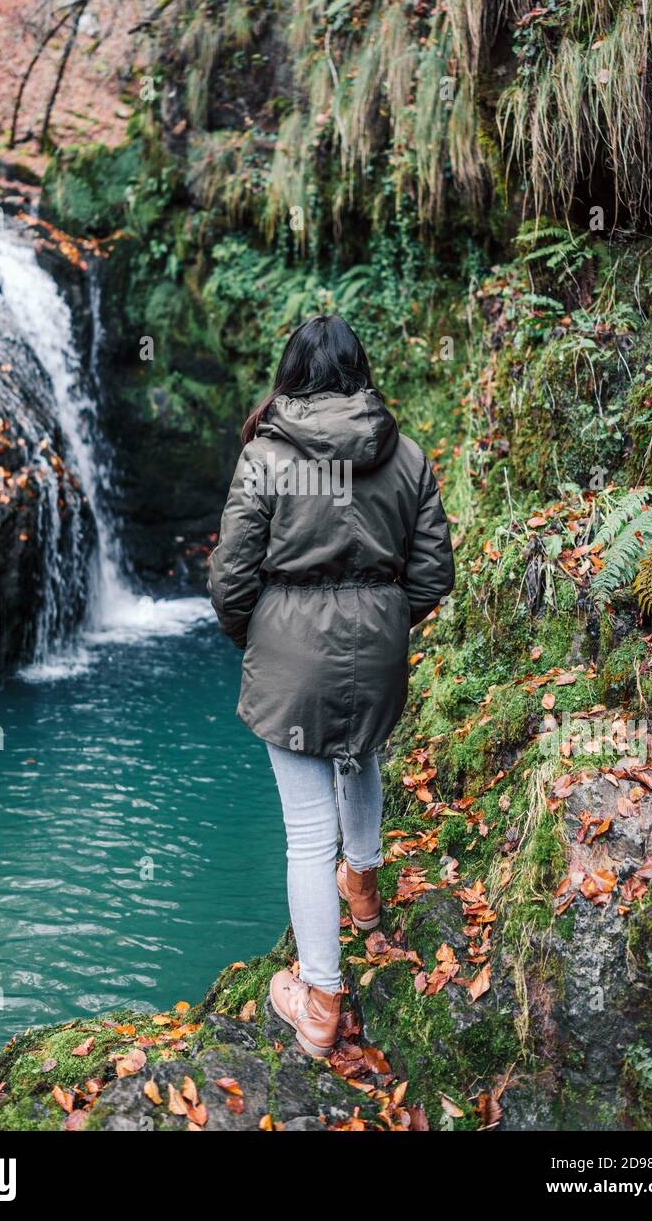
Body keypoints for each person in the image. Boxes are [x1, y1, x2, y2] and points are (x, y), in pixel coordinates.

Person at [208, 313, 454, 1057]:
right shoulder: (404, 454)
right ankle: (367, 893)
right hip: (376, 652)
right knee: (361, 751)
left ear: (292, 376)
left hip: (291, 657)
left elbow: (231, 577)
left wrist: (259, 634)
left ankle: (319, 1004)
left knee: (306, 836)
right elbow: (434, 572)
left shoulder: (266, 457)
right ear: (360, 370)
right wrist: (381, 621)